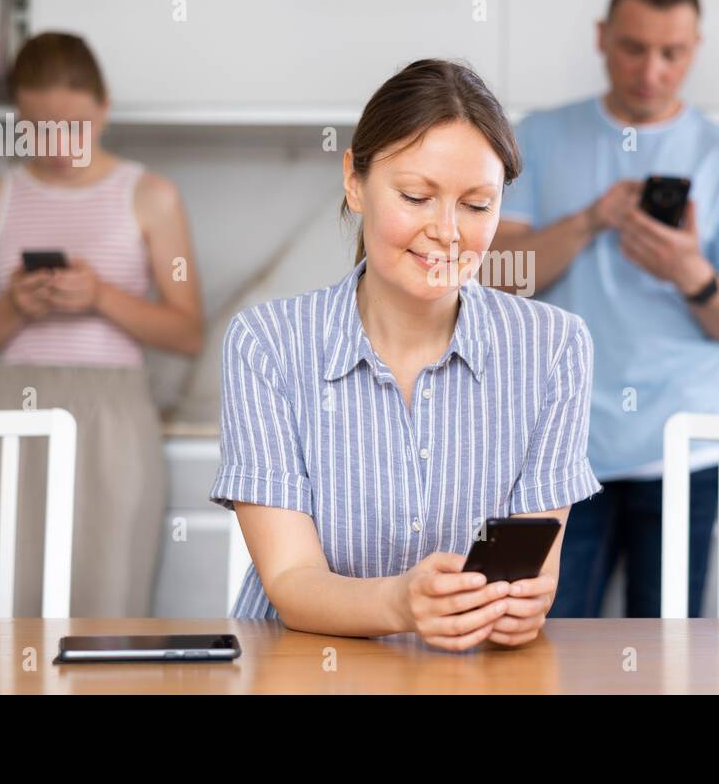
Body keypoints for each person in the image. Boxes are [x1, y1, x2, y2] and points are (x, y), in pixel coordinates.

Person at [209, 59, 601, 650]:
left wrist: (521, 605)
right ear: (353, 181)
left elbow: (531, 566)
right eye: (417, 196)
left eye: (477, 205)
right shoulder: (267, 345)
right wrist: (401, 602)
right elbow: (292, 581)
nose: (448, 231)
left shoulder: (553, 349)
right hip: (302, 673)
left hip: (466, 677)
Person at [489, 0, 719, 616]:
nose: (651, 70)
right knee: (545, 640)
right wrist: (590, 219)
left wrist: (691, 273)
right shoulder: (536, 137)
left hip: (684, 449)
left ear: (694, 49)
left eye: (671, 53)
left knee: (671, 653)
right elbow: (496, 279)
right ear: (601, 37)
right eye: (633, 47)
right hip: (560, 444)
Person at [0, 32, 204, 616]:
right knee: (0, 606)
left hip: (115, 414)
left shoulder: (152, 197)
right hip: (13, 410)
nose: (58, 146)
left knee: (107, 606)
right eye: (38, 128)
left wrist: (100, 297)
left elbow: (188, 332)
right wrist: (14, 307)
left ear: (105, 109)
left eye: (74, 127)